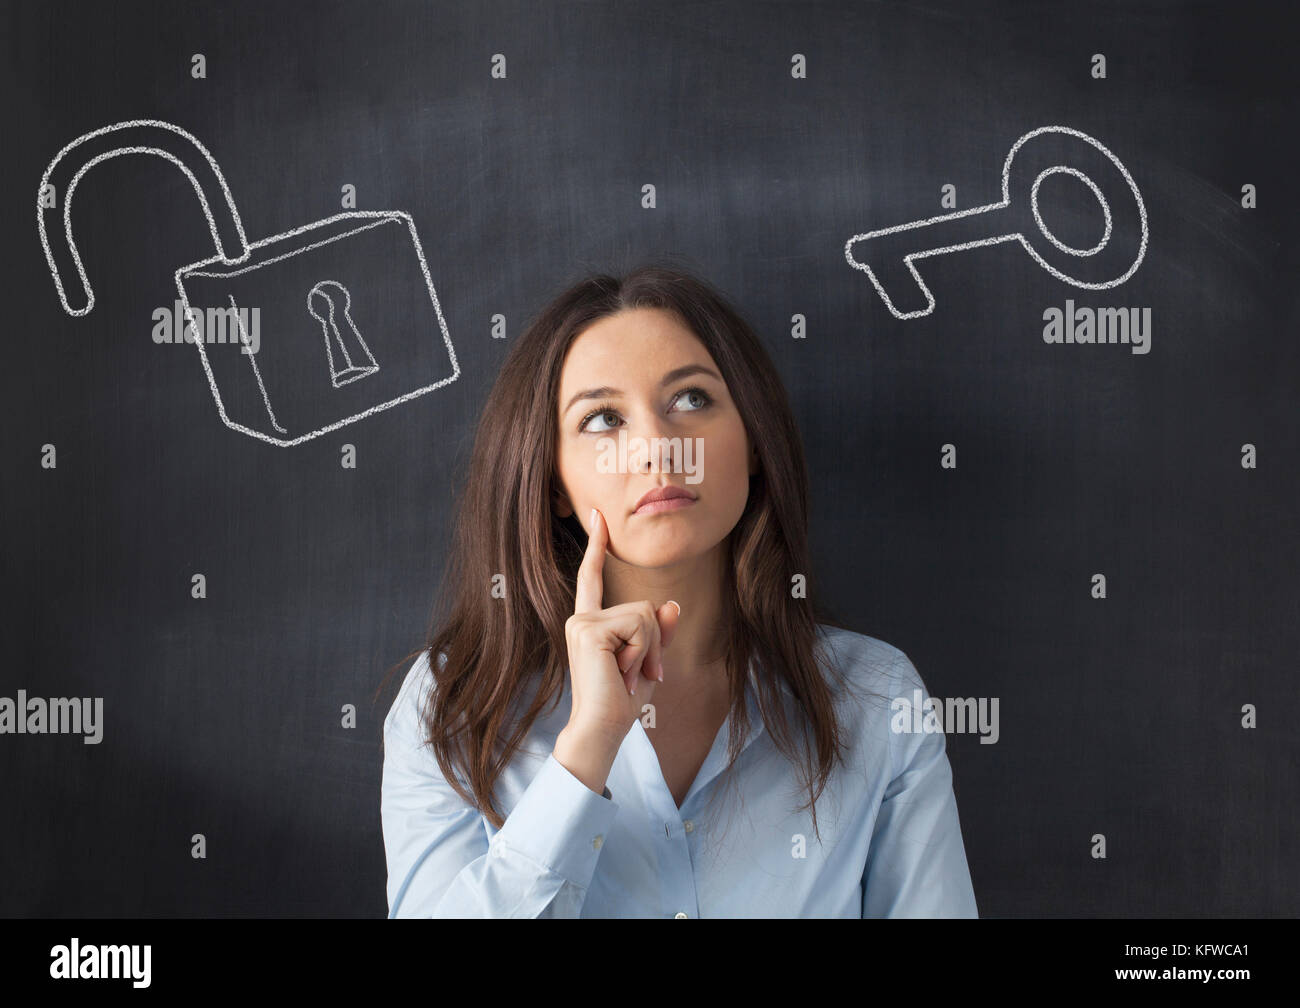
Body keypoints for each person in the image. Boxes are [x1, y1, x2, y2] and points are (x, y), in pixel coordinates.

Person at [379, 262, 978, 918]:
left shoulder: (878, 700)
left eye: (691, 400)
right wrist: (585, 751)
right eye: (604, 419)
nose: (658, 449)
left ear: (752, 441)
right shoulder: (454, 707)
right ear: (553, 483)